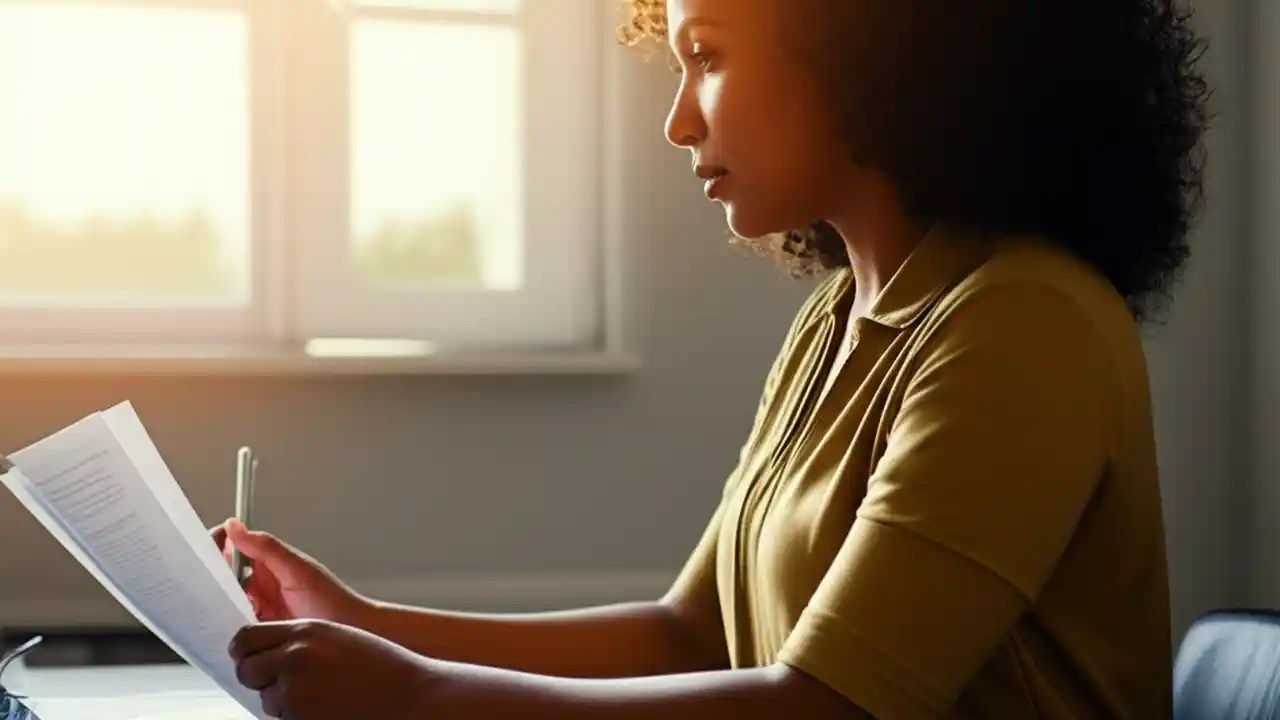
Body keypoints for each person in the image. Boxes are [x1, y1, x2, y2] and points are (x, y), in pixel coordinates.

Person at [215, 0, 1211, 717]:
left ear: (861, 42)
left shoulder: (1021, 325)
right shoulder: (837, 320)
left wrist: (422, 698)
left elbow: (822, 707)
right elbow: (689, 636)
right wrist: (367, 625)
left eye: (707, 54)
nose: (677, 118)